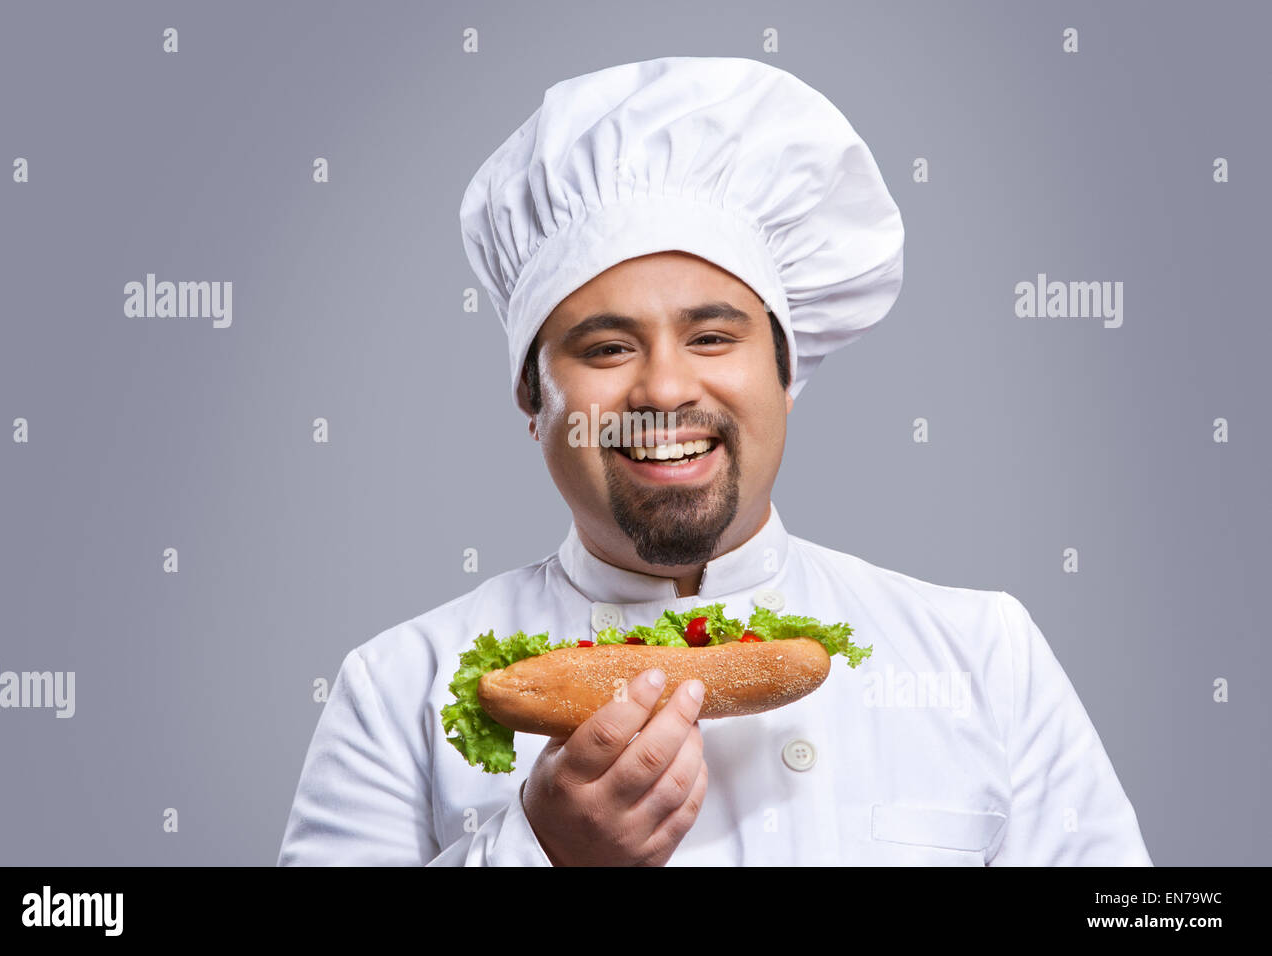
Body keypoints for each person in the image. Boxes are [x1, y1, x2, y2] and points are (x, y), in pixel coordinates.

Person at [276, 56, 1151, 866]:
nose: (664, 388)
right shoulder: (399, 687)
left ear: (785, 372)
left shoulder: (980, 656)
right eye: (608, 347)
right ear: (532, 401)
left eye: (711, 335)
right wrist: (538, 855)